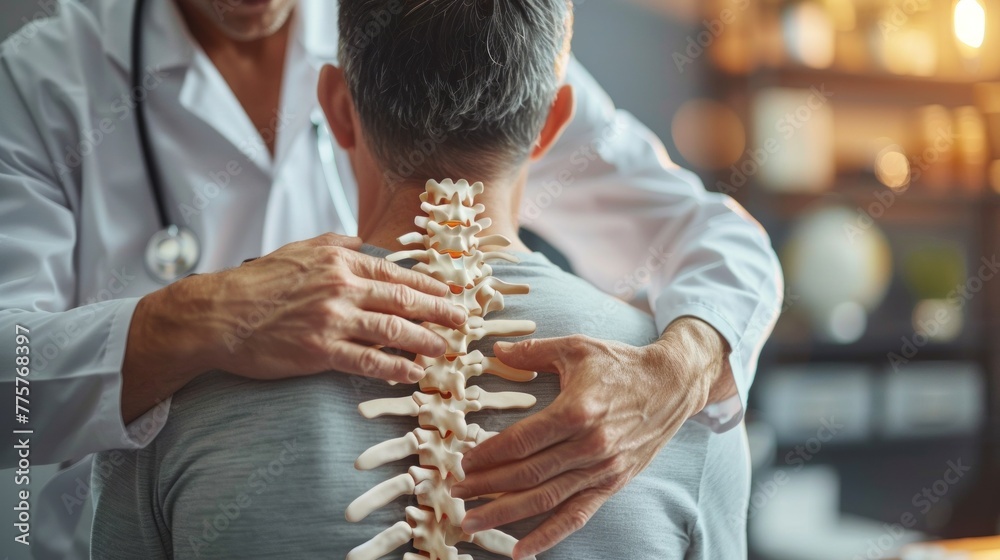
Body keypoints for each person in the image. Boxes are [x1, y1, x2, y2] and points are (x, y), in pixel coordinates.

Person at [0, 0, 780, 557]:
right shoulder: (46, 80)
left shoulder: (453, 28)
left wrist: (682, 367)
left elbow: (710, 236)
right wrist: (186, 321)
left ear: (337, 107)